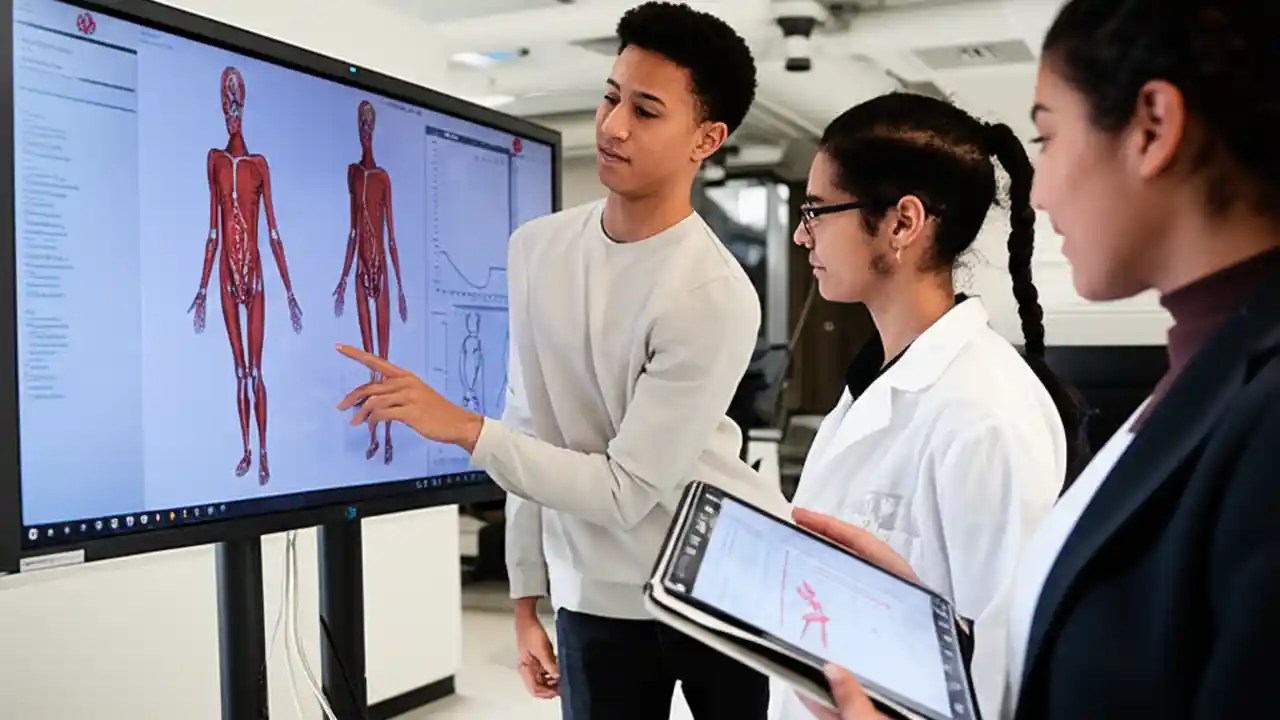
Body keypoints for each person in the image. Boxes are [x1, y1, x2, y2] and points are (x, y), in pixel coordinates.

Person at [799, 0, 1280, 717]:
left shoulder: (1262, 419)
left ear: (1152, 126)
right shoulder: (1205, 373)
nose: (1043, 190)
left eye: (1049, 138)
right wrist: (932, 627)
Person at [335, 2, 787, 718]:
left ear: (707, 138)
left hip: (714, 583)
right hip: (596, 594)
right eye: (610, 96)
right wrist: (525, 596)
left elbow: (623, 489)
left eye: (645, 110)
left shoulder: (713, 293)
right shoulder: (537, 248)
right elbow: (530, 423)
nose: (612, 126)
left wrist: (462, 427)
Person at [771, 92, 1089, 720]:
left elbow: (1006, 679)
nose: (803, 234)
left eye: (816, 210)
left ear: (902, 223)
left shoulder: (986, 414)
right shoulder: (878, 379)